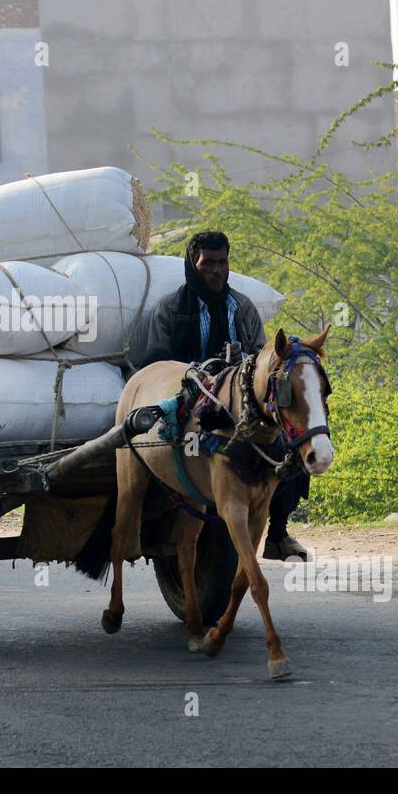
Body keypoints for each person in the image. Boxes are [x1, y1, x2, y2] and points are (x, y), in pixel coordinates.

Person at [133, 231, 308, 561]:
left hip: (239, 403)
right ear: (192, 264)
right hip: (187, 401)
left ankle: (278, 532)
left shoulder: (242, 309)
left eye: (222, 262)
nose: (216, 270)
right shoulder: (170, 310)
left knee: (293, 440)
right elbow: (157, 365)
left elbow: (262, 362)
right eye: (208, 263)